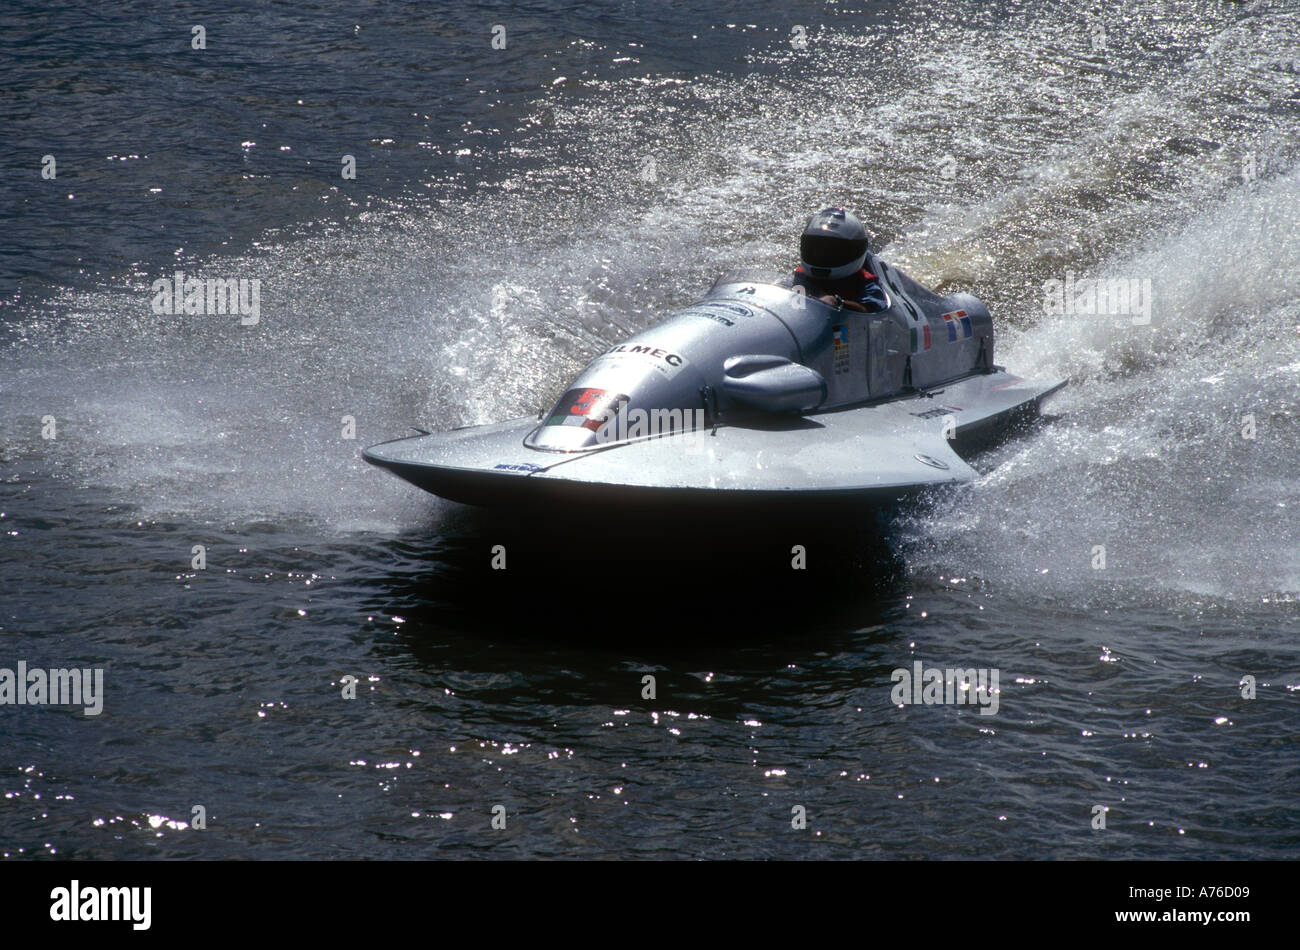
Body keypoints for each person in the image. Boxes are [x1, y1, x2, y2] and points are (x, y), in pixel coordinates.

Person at [791, 207, 889, 313]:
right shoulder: (801, 276)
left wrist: (837, 303)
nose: (822, 255)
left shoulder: (865, 282)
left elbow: (873, 309)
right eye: (816, 249)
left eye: (832, 250)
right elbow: (793, 303)